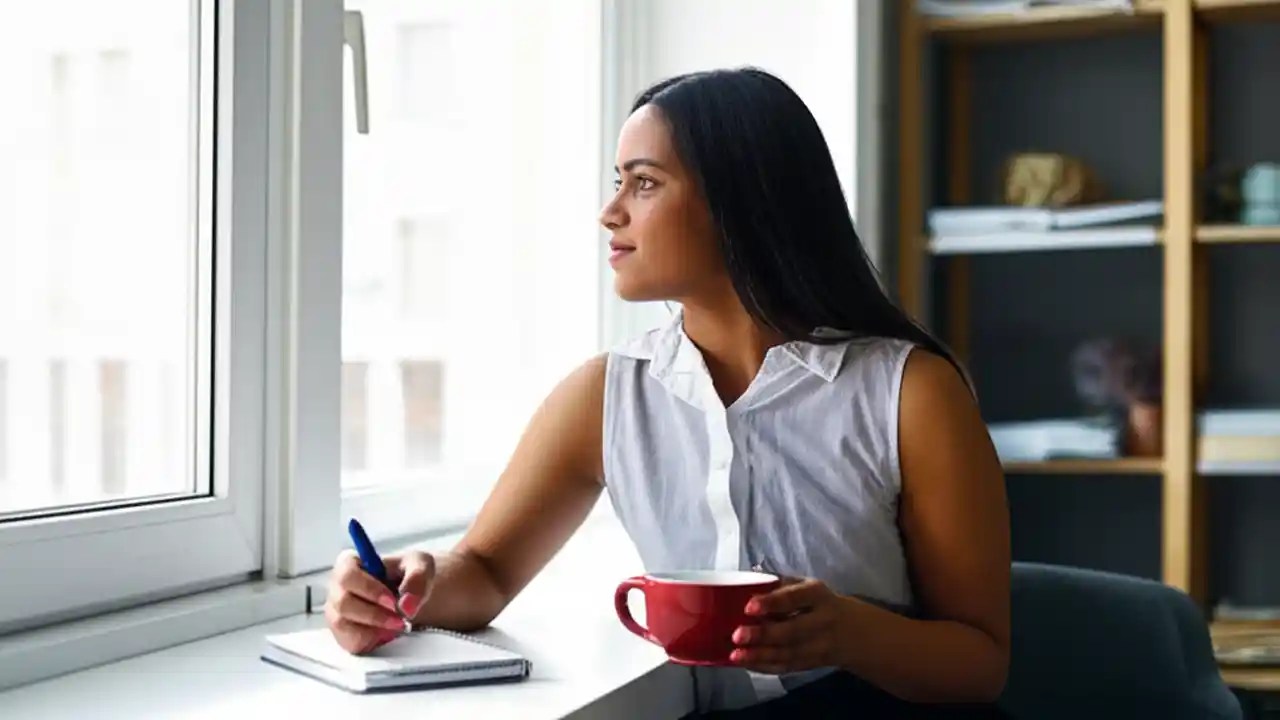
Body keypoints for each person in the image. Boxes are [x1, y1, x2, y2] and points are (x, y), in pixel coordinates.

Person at [324, 67, 1011, 718]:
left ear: (743, 201)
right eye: (617, 182)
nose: (610, 213)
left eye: (643, 184)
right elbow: (485, 571)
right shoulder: (604, 395)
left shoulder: (911, 393)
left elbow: (980, 664)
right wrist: (407, 583)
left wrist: (851, 634)